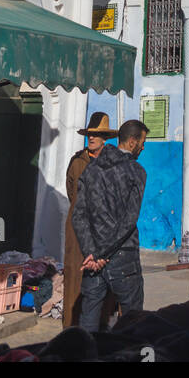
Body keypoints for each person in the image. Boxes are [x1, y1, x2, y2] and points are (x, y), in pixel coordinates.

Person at [72, 119, 148, 334]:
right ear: (132, 142)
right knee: (133, 321)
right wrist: (102, 254)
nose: (143, 147)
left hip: (93, 258)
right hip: (122, 257)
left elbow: (78, 216)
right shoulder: (136, 171)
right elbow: (128, 221)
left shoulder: (90, 170)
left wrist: (91, 253)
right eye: (142, 142)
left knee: (88, 320)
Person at [63, 112, 117, 328]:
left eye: (96, 135)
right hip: (77, 231)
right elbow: (70, 191)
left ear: (105, 137)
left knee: (105, 280)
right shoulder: (77, 162)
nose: (91, 138)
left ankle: (102, 330)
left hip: (105, 231)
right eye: (89, 135)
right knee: (75, 279)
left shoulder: (113, 163)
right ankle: (71, 331)